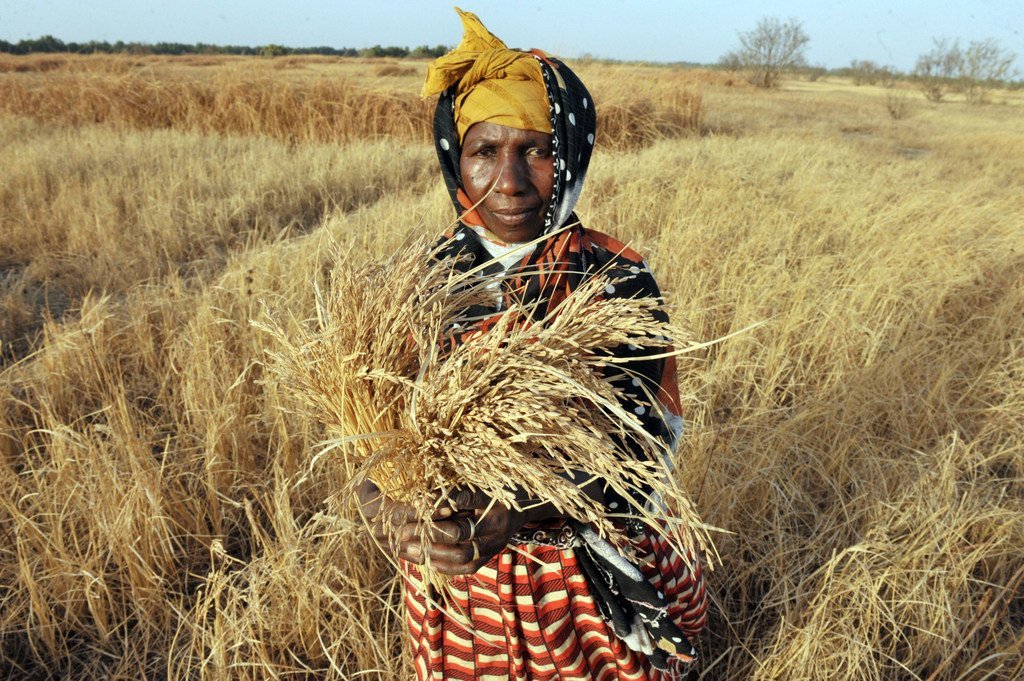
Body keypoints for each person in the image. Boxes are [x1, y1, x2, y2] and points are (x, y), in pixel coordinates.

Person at [357, 9, 707, 680]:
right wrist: (391, 504)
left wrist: (511, 513)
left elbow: (643, 452)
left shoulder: (615, 279)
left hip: (581, 579)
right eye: (485, 150)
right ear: (454, 158)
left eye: (537, 150)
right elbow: (377, 439)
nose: (510, 180)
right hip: (460, 590)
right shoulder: (417, 286)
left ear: (570, 154)